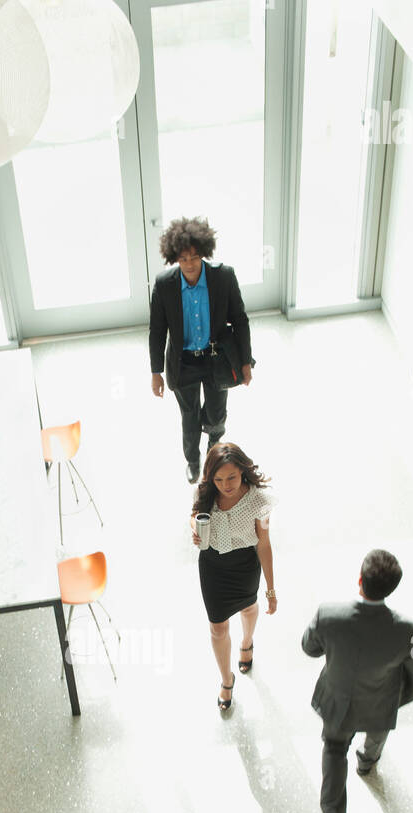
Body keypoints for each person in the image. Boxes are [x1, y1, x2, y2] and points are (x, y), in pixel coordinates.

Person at [301, 548, 413, 813]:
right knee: (376, 738)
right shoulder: (407, 628)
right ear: (392, 589)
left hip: (337, 702)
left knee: (334, 751)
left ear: (359, 580)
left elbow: (309, 648)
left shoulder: (329, 614)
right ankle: (367, 764)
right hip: (380, 703)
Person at [149, 216, 253, 483]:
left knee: (217, 417)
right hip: (183, 363)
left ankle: (213, 455)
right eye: (183, 259)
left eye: (195, 257)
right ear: (175, 259)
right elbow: (157, 330)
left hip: (217, 359)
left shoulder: (223, 277)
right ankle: (194, 462)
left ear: (203, 254)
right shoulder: (163, 285)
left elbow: (240, 320)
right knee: (189, 417)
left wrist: (245, 363)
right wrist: (156, 372)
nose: (190, 264)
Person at [190, 442, 277, 711]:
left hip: (244, 564)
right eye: (218, 479)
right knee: (217, 627)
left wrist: (271, 590)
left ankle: (247, 643)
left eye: (231, 477)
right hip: (212, 565)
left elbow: (263, 543)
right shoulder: (204, 492)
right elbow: (194, 514)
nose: (225, 485)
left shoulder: (259, 500)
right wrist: (194, 526)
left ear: (242, 470)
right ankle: (226, 680)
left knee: (249, 607)